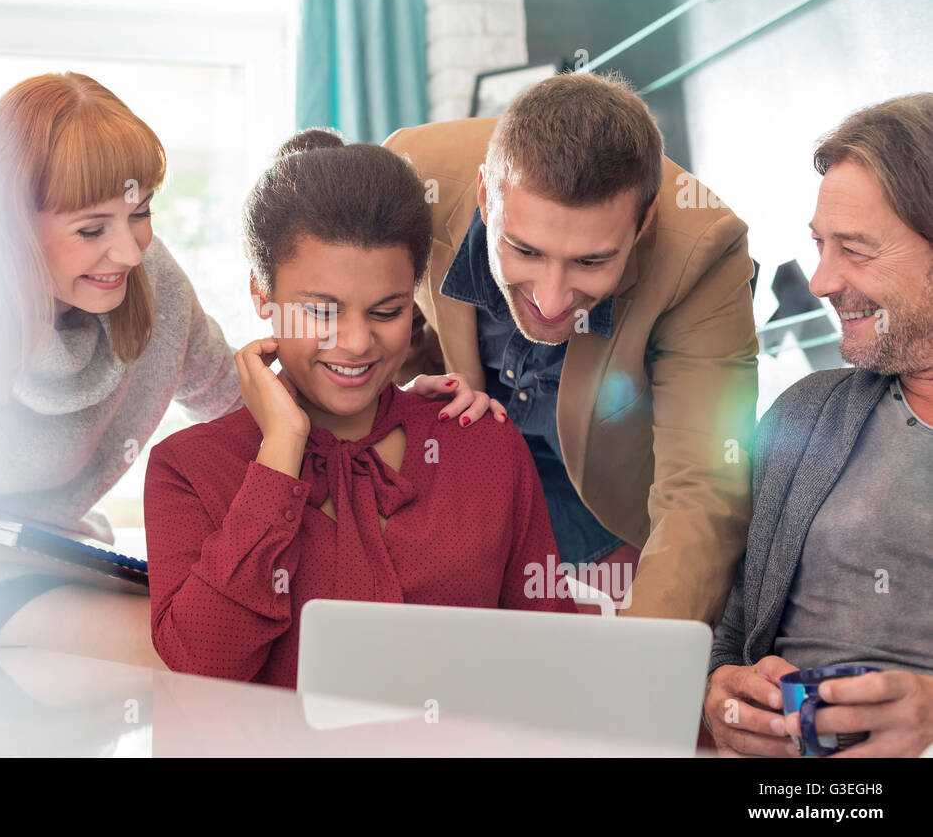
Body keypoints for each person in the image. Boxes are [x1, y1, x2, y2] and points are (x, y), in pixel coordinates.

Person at [0, 74, 494, 664]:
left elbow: (238, 402)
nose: (130, 252)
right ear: (6, 227)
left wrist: (391, 408)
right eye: (91, 229)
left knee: (239, 627)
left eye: (140, 213)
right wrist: (82, 573)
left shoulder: (145, 281)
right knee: (176, 650)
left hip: (57, 549)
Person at [143, 129, 575, 688]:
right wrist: (280, 452)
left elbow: (555, 662)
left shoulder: (481, 442)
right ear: (261, 294)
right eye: (321, 312)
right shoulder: (190, 470)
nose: (355, 343)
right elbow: (201, 664)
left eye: (386, 311)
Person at [384, 71, 759, 623]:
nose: (552, 299)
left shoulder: (706, 251)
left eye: (591, 261)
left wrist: (640, 667)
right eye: (524, 250)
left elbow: (703, 485)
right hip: (459, 483)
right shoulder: (410, 176)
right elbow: (376, 319)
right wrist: (401, 409)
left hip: (605, 506)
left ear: (644, 221)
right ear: (488, 197)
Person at [704, 94, 933, 758]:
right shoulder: (807, 415)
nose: (823, 279)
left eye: (854, 250)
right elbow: (735, 627)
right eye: (819, 245)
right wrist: (723, 691)